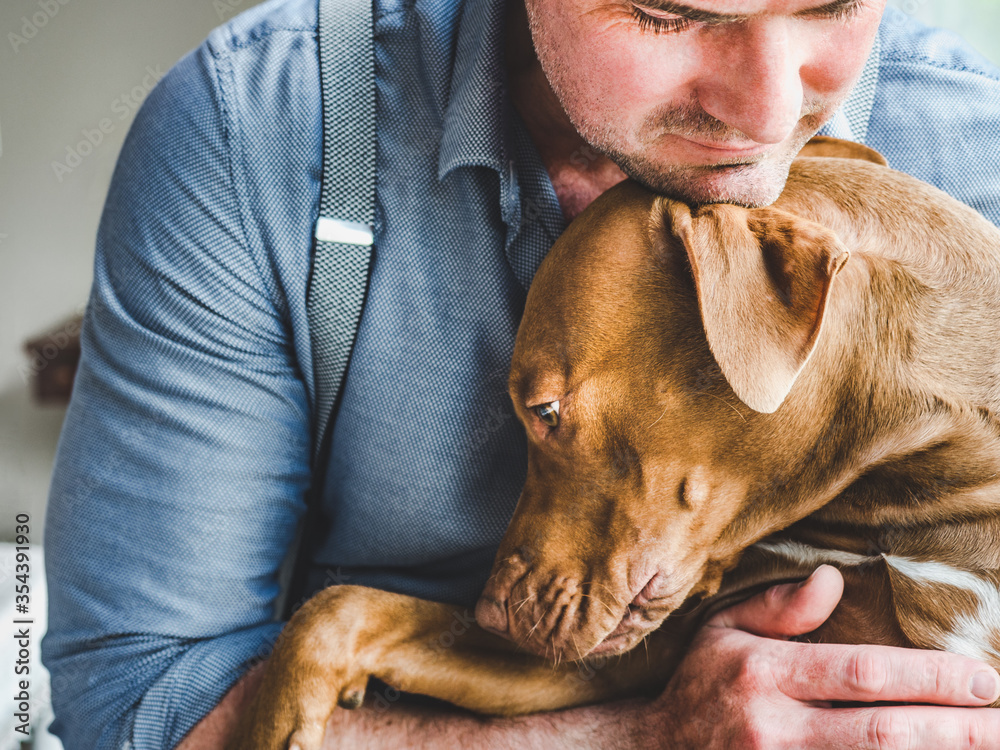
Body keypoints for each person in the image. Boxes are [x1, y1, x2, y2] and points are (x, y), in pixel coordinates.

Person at [40, 0, 1000, 746]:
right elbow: (138, 707)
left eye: (830, 6)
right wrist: (640, 739)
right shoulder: (252, 134)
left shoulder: (973, 148)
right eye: (669, 12)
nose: (770, 113)